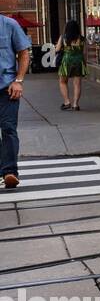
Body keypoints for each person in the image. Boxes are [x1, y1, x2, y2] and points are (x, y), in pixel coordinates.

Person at [1, 13, 31, 190]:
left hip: (7, 88)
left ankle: (10, 172)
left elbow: (23, 53)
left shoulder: (9, 25)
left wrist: (18, 81)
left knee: (8, 128)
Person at [56, 19, 86, 111]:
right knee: (77, 84)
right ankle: (75, 104)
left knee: (62, 81)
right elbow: (84, 52)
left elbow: (57, 49)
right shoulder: (82, 38)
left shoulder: (63, 37)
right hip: (78, 61)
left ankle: (67, 102)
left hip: (67, 60)